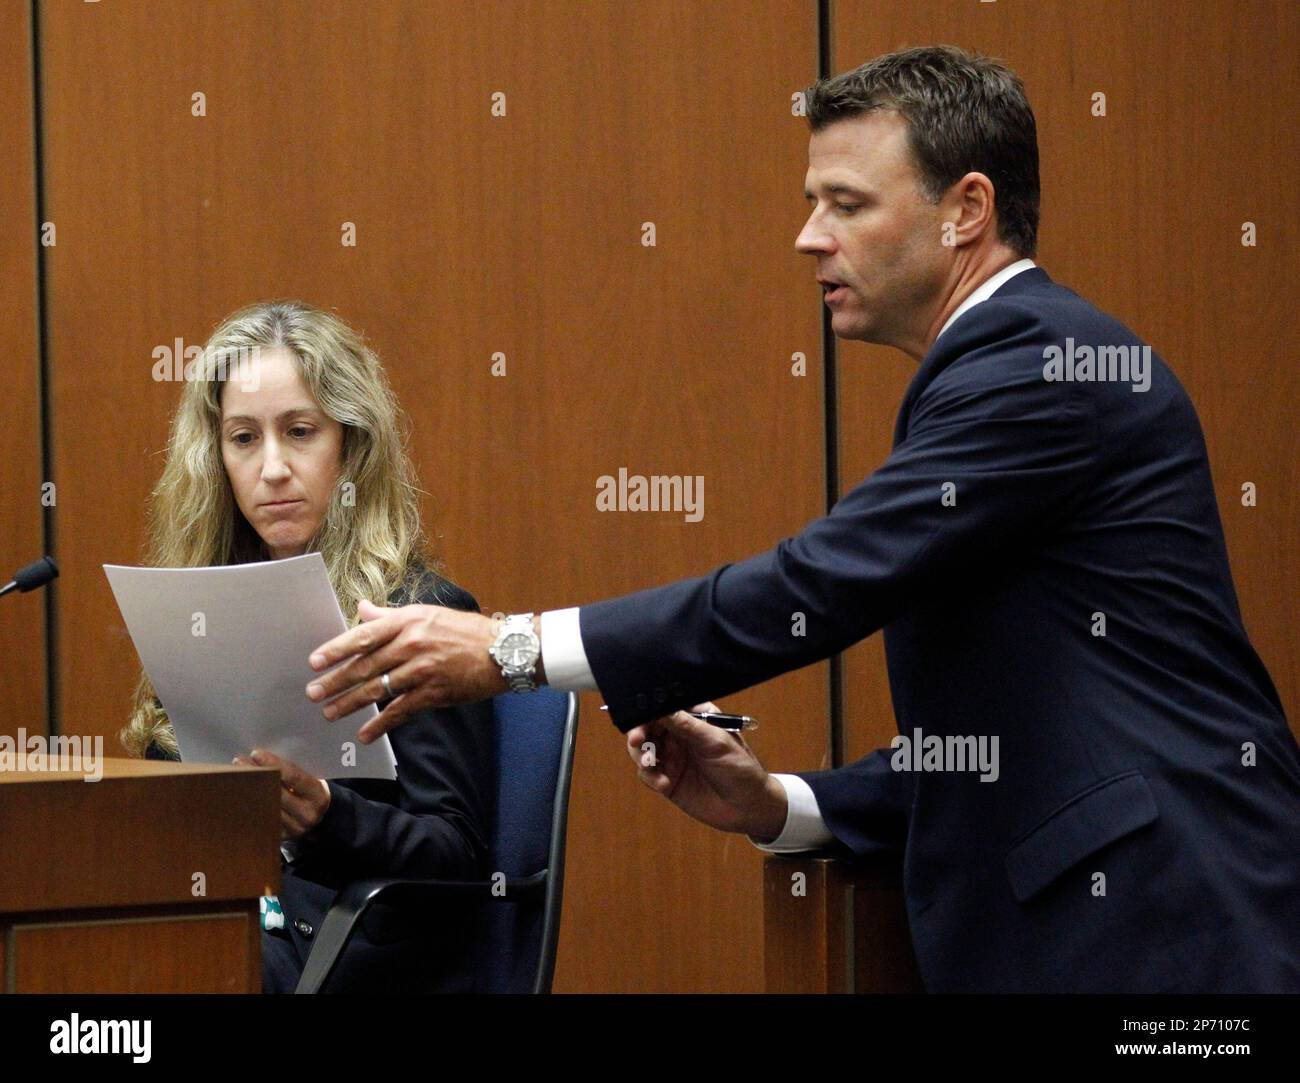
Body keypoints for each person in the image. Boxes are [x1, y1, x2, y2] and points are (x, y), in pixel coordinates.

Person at [300, 47, 1300, 992]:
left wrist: (513, 649)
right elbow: (1011, 732)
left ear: (966, 210)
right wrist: (779, 803)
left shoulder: (1037, 365)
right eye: (810, 202)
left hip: (1167, 928)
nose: (807, 235)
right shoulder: (997, 371)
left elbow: (815, 584)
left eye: (845, 204)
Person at [118, 300, 494, 993]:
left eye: (299, 432)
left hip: (352, 948)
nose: (273, 468)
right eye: (243, 439)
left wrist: (326, 814)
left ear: (350, 446)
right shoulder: (202, 608)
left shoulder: (422, 614)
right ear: (216, 457)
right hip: (224, 916)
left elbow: (460, 857)